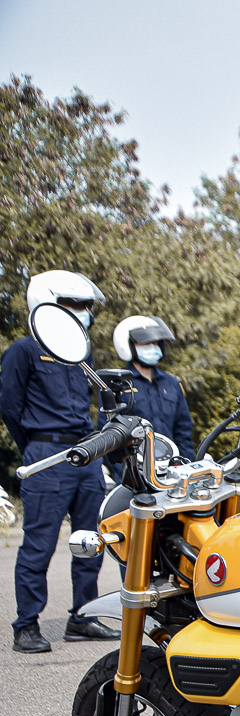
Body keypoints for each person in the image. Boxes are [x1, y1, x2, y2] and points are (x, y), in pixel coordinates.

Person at [1, 270, 119, 653]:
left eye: (85, 307)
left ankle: (81, 618)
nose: (83, 312)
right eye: (75, 305)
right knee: (39, 544)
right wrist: (36, 446)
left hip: (84, 453)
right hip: (47, 454)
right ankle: (26, 626)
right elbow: (10, 409)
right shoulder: (22, 350)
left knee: (89, 541)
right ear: (47, 304)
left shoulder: (79, 355)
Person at [109, 314, 194, 452]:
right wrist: (126, 471)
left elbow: (183, 430)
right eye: (145, 343)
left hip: (170, 465)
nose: (153, 347)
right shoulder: (117, 385)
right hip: (133, 466)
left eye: (156, 343)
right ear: (127, 345)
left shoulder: (171, 383)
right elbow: (110, 433)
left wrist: (183, 462)